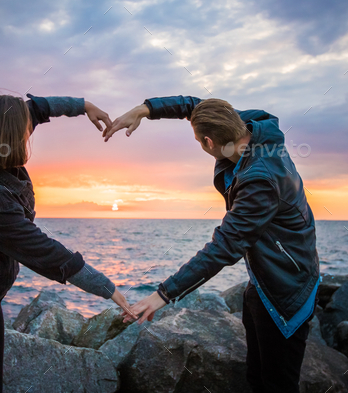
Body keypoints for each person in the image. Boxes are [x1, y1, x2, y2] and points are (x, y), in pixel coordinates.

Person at [104, 96, 321, 393]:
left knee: (277, 384)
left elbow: (223, 247)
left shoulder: (260, 180)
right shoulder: (248, 127)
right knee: (256, 378)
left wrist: (162, 295)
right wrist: (145, 110)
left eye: (198, 141)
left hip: (287, 287)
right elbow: (194, 105)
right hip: (266, 274)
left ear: (208, 142)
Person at [0, 93, 132, 393]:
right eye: (26, 128)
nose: (31, 129)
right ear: (13, 136)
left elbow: (38, 108)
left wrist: (85, 106)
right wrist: (109, 289)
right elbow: (49, 255)